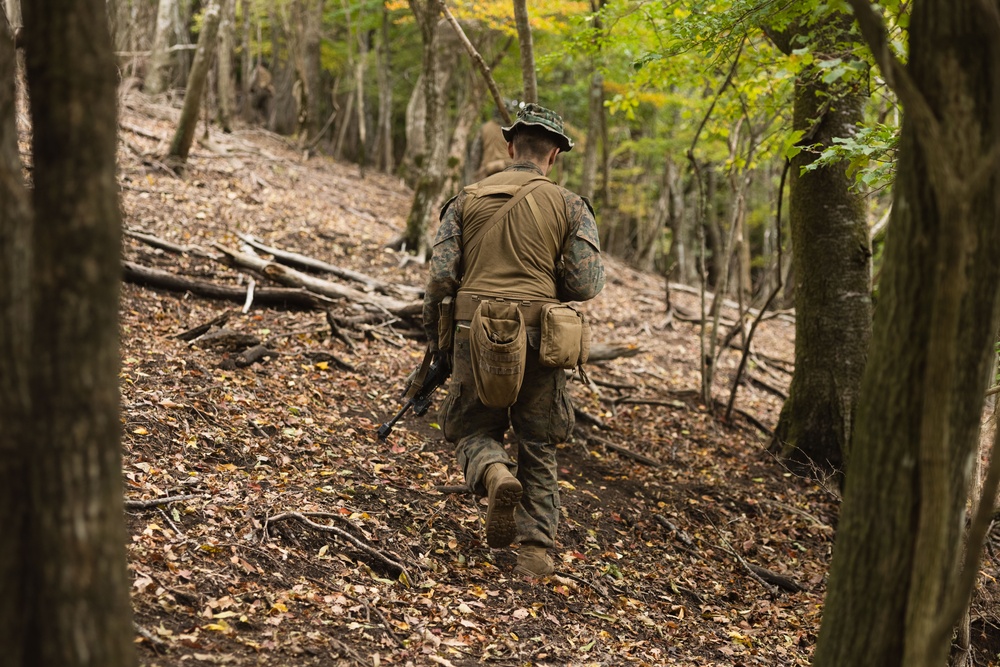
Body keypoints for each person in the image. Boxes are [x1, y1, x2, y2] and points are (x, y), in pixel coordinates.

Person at [422, 104, 605, 577]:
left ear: (509, 147)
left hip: (472, 333)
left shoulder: (464, 199)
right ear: (555, 156)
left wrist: (436, 344)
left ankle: (494, 472)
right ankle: (535, 554)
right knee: (538, 441)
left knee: (470, 429)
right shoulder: (571, 206)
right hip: (542, 338)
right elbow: (586, 285)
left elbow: (441, 277)